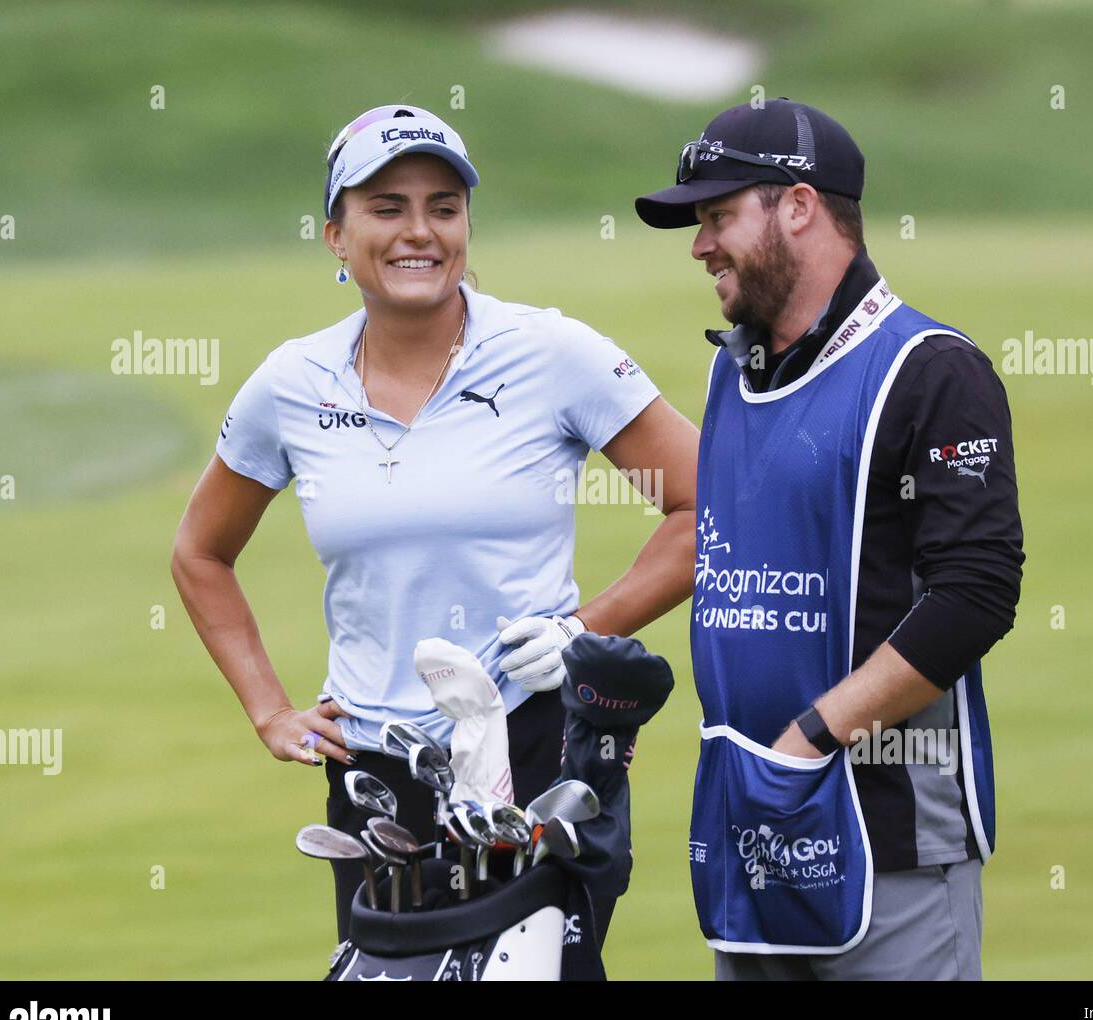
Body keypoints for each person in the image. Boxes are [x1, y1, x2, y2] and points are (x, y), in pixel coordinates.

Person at [172, 104, 698, 944]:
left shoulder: (553, 353)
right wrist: (270, 708)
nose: (419, 231)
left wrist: (582, 630)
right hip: (375, 768)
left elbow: (707, 509)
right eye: (386, 207)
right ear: (335, 235)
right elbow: (200, 552)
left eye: (443, 206)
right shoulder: (291, 383)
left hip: (531, 743)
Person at [634, 98, 1024, 980]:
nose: (701, 246)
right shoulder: (731, 371)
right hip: (753, 836)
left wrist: (814, 735)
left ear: (799, 207)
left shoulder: (932, 370)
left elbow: (975, 593)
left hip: (891, 841)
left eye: (718, 216)